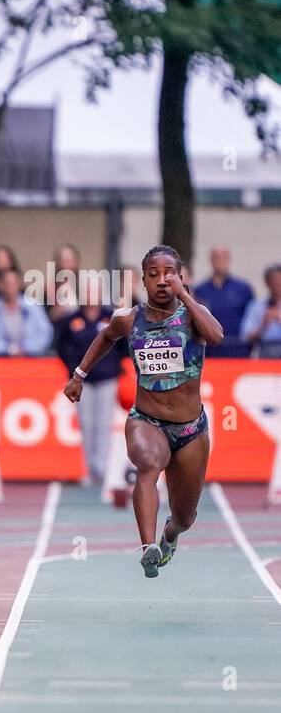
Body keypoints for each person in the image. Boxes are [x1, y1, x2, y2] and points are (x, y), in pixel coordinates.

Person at [64, 245, 223, 578]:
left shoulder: (194, 316)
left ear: (180, 278)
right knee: (148, 464)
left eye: (169, 274)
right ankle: (148, 545)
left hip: (191, 428)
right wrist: (79, 374)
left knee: (185, 515)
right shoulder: (128, 319)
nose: (162, 281)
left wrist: (187, 297)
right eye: (154, 274)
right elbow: (105, 337)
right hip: (146, 419)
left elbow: (216, 336)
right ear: (143, 280)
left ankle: (170, 534)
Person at [55, 294, 125, 486]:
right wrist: (72, 369)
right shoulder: (72, 319)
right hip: (82, 380)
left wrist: (116, 366)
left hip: (106, 377)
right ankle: (90, 469)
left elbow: (123, 343)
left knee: (104, 424)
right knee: (87, 424)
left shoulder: (110, 317)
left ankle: (102, 469)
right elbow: (61, 346)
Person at [193, 246, 254, 358]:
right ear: (210, 260)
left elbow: (251, 317)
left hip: (238, 349)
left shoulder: (243, 288)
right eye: (216, 257)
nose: (220, 261)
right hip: (210, 349)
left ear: (229, 259)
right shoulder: (200, 290)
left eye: (223, 257)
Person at [0, 269, 53, 356]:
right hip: (0, 361)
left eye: (13, 283)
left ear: (19, 284)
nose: (9, 287)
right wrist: (9, 350)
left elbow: (46, 334)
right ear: (0, 285)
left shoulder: (33, 306)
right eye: (6, 283)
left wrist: (26, 349)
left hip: (31, 360)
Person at [242, 265, 281, 359]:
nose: (277, 283)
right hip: (265, 353)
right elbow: (245, 336)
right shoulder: (256, 306)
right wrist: (262, 326)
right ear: (267, 282)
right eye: (273, 280)